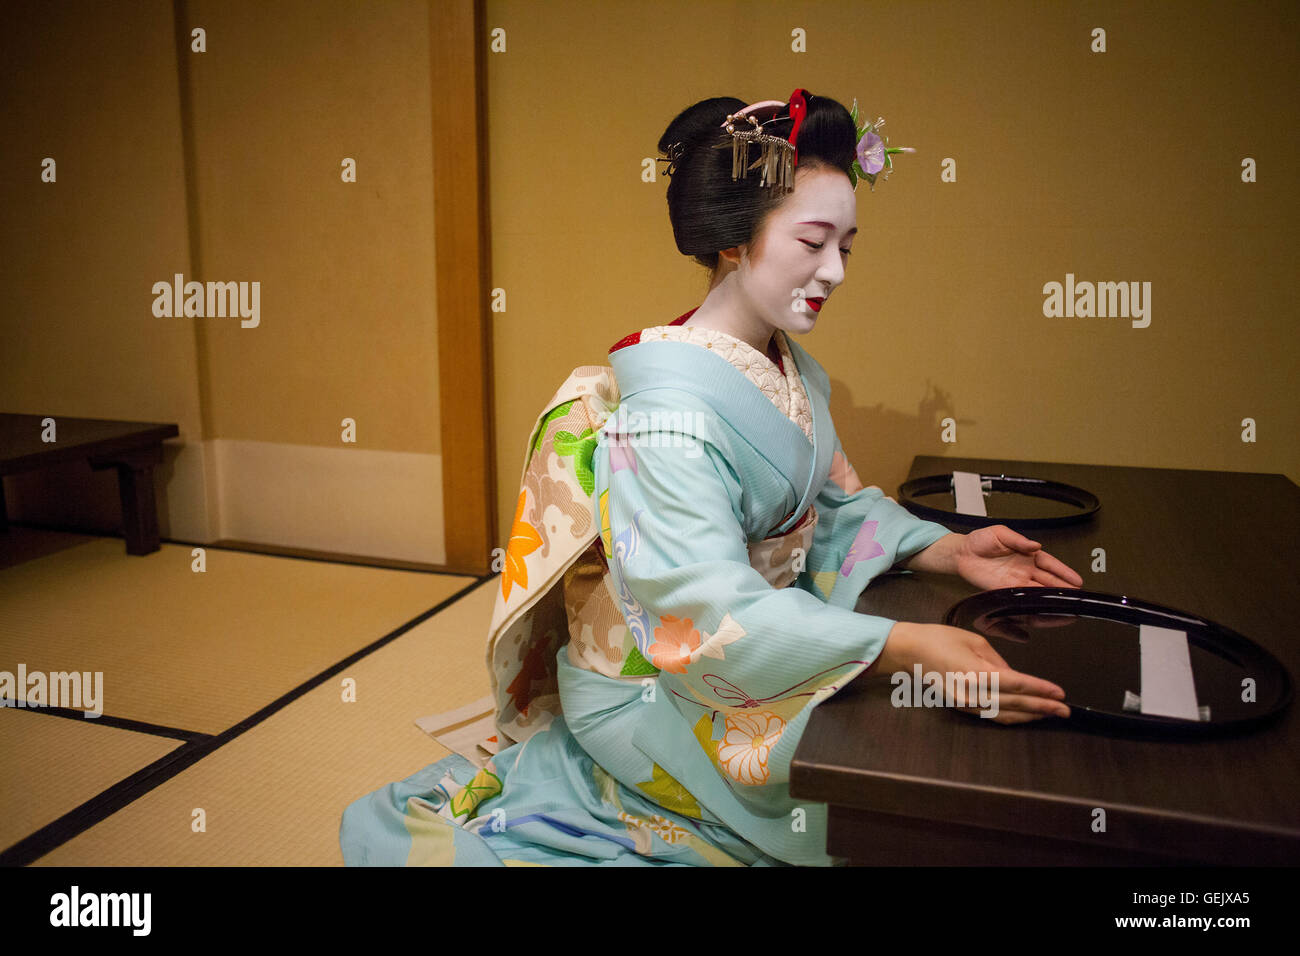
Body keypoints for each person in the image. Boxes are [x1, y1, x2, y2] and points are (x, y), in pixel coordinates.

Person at [340, 89, 1082, 867]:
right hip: (661, 682)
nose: (834, 271)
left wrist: (941, 551)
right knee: (882, 787)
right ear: (734, 241)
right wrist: (898, 645)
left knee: (912, 749)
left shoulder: (787, 369)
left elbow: (825, 508)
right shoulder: (665, 419)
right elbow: (703, 609)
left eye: (848, 247)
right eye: (812, 241)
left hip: (744, 638)